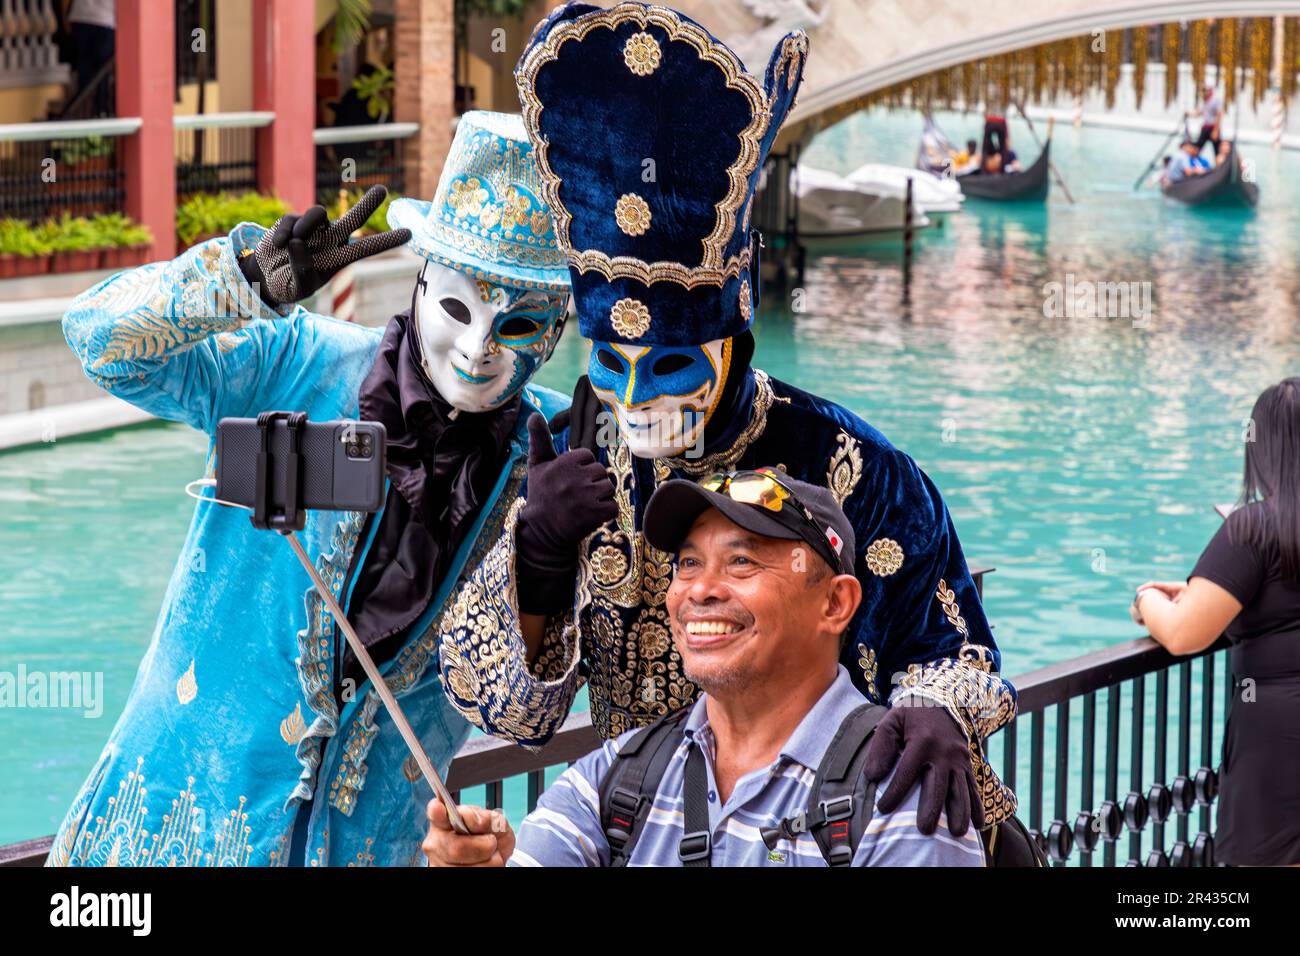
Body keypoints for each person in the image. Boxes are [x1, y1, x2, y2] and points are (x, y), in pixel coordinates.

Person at [437, 0, 1018, 842]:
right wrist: (538, 555)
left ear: (730, 342)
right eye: (611, 368)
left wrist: (935, 711)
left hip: (850, 833)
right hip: (654, 828)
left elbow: (955, 650)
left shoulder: (854, 465)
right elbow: (503, 712)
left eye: (669, 366)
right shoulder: (576, 452)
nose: (635, 401)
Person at [47, 112, 572, 867]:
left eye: (519, 323)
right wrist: (239, 284)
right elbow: (97, 341)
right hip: (167, 835)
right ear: (422, 282)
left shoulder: (556, 461)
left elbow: (522, 717)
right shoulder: (290, 364)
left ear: (554, 330)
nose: (477, 345)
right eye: (459, 306)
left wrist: (549, 557)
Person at [423, 471, 986, 867]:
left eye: (742, 561)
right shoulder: (620, 778)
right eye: (688, 563)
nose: (700, 590)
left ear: (835, 604)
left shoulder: (901, 796)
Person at [1131, 379, 1300, 867]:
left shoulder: (1251, 526)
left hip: (1279, 743)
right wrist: (1212, 595)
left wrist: (1148, 598)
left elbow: (1185, 634)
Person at [1188, 84, 1225, 161]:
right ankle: (1192, 164)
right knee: (1197, 148)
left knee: (1217, 150)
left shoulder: (1216, 100)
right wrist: (1189, 114)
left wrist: (1216, 130)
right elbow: (1200, 113)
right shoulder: (1205, 100)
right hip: (1205, 128)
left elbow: (1219, 114)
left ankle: (1219, 167)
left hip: (1213, 127)